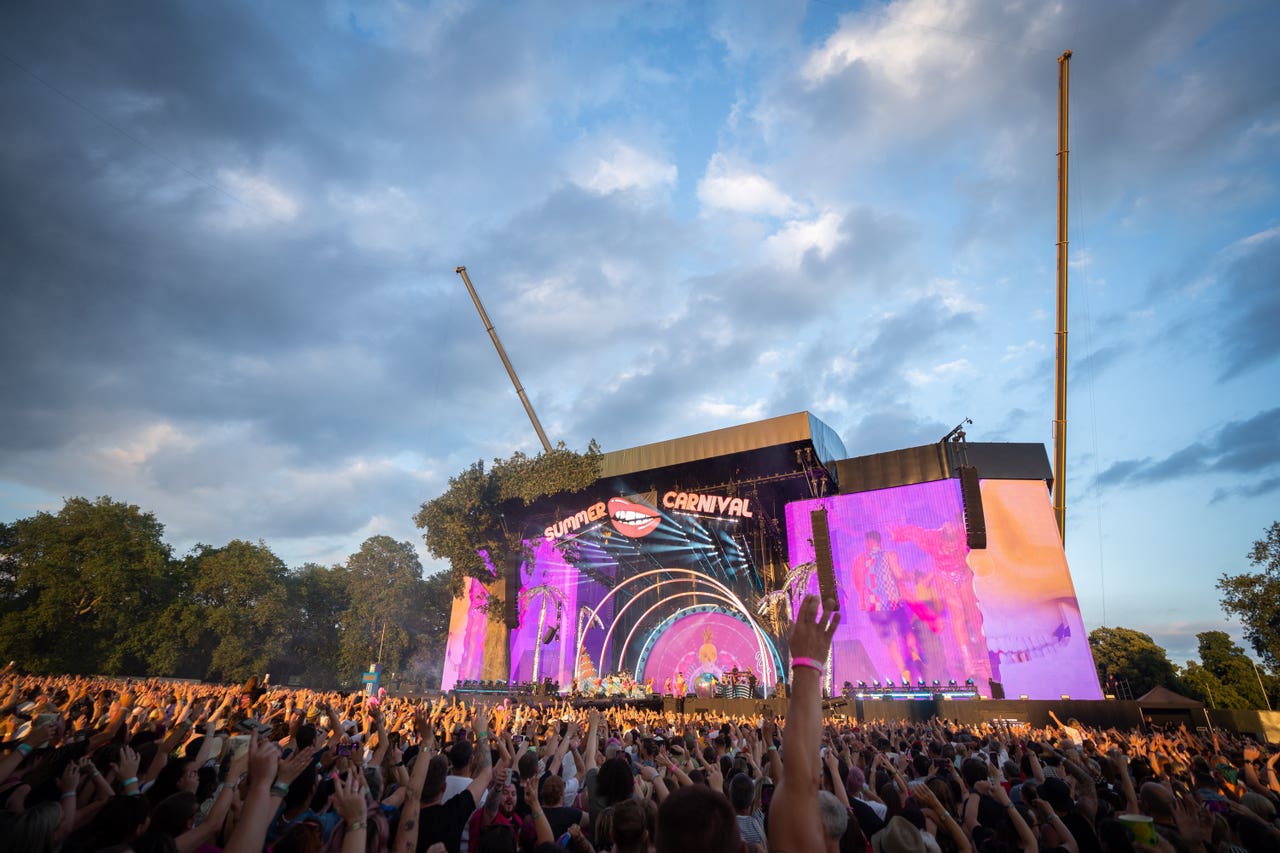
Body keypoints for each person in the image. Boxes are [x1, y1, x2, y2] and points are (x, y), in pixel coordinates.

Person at [851, 531, 913, 682]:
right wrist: (909, 576)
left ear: (868, 542)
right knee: (906, 631)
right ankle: (915, 656)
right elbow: (899, 574)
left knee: (889, 641)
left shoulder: (859, 560)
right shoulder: (889, 555)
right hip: (892, 603)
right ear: (879, 542)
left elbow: (858, 583)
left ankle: (904, 672)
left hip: (874, 608)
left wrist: (863, 601)